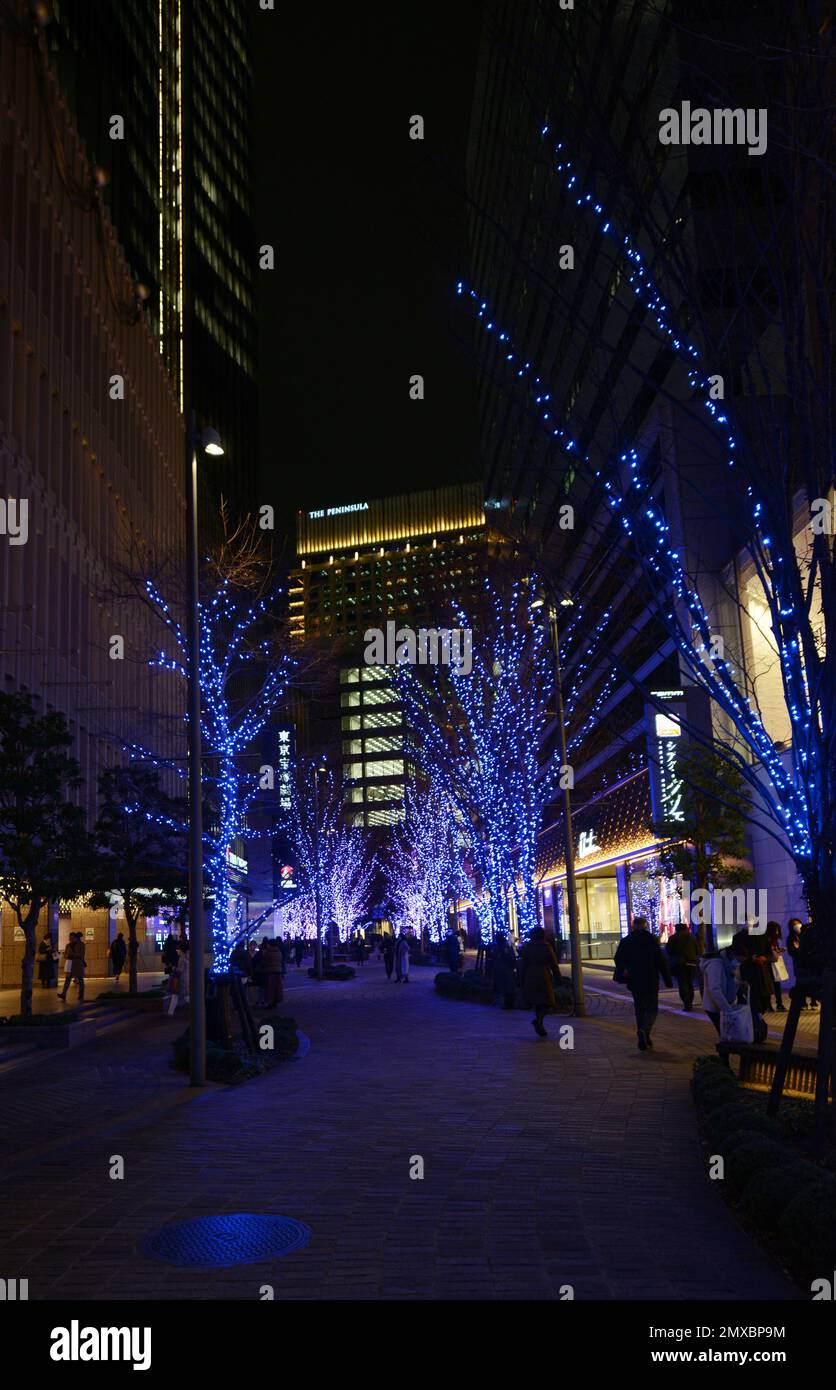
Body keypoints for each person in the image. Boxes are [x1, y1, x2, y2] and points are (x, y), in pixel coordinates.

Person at [613, 915, 672, 1051]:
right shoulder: (652, 940)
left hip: (634, 979)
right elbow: (661, 961)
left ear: (633, 926)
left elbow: (618, 959)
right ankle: (645, 1030)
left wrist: (625, 970)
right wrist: (667, 979)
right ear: (645, 925)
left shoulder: (627, 940)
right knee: (652, 1008)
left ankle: (643, 1032)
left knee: (639, 1008)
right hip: (650, 978)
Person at [699, 936, 750, 1035]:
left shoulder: (729, 964)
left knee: (729, 1034)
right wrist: (727, 1010)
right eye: (739, 960)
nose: (738, 963)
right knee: (726, 1034)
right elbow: (715, 989)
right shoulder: (715, 964)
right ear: (733, 955)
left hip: (726, 1004)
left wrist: (740, 983)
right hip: (715, 1007)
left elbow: (731, 980)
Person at [520, 926, 561, 1037]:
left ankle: (540, 1025)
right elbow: (554, 964)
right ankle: (539, 1021)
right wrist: (559, 978)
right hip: (544, 975)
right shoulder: (546, 947)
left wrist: (521, 979)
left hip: (530, 975)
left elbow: (523, 964)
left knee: (537, 1002)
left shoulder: (528, 947)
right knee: (549, 1002)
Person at [666, 921, 698, 1011]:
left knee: (682, 983)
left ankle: (687, 1004)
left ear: (676, 929)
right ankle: (690, 1002)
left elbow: (669, 950)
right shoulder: (692, 937)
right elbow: (697, 950)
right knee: (690, 983)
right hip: (691, 963)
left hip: (679, 964)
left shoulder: (673, 938)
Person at [492, 931, 518, 1010]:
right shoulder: (501, 946)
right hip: (503, 969)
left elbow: (508, 957)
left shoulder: (503, 946)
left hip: (505, 969)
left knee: (507, 987)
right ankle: (508, 1004)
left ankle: (509, 1004)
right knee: (506, 986)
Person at [765, 920, 787, 1011]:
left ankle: (778, 1004)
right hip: (769, 965)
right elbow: (767, 952)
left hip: (774, 963)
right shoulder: (767, 940)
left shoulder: (775, 940)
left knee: (777, 985)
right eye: (775, 930)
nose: (777, 932)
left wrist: (779, 950)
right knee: (769, 986)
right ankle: (769, 1005)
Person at [59, 932, 86, 1001]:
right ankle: (63, 994)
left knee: (80, 979)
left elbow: (82, 954)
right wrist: (67, 956)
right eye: (70, 938)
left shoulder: (81, 944)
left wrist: (73, 955)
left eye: (72, 938)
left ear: (76, 938)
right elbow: (65, 954)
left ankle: (81, 995)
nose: (71, 939)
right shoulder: (68, 945)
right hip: (69, 964)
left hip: (78, 964)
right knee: (67, 980)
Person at [262, 937, 284, 1008]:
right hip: (278, 971)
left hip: (270, 971)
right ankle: (275, 1002)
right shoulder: (279, 951)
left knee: (270, 988)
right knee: (276, 988)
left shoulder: (268, 952)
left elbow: (265, 961)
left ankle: (270, 1003)